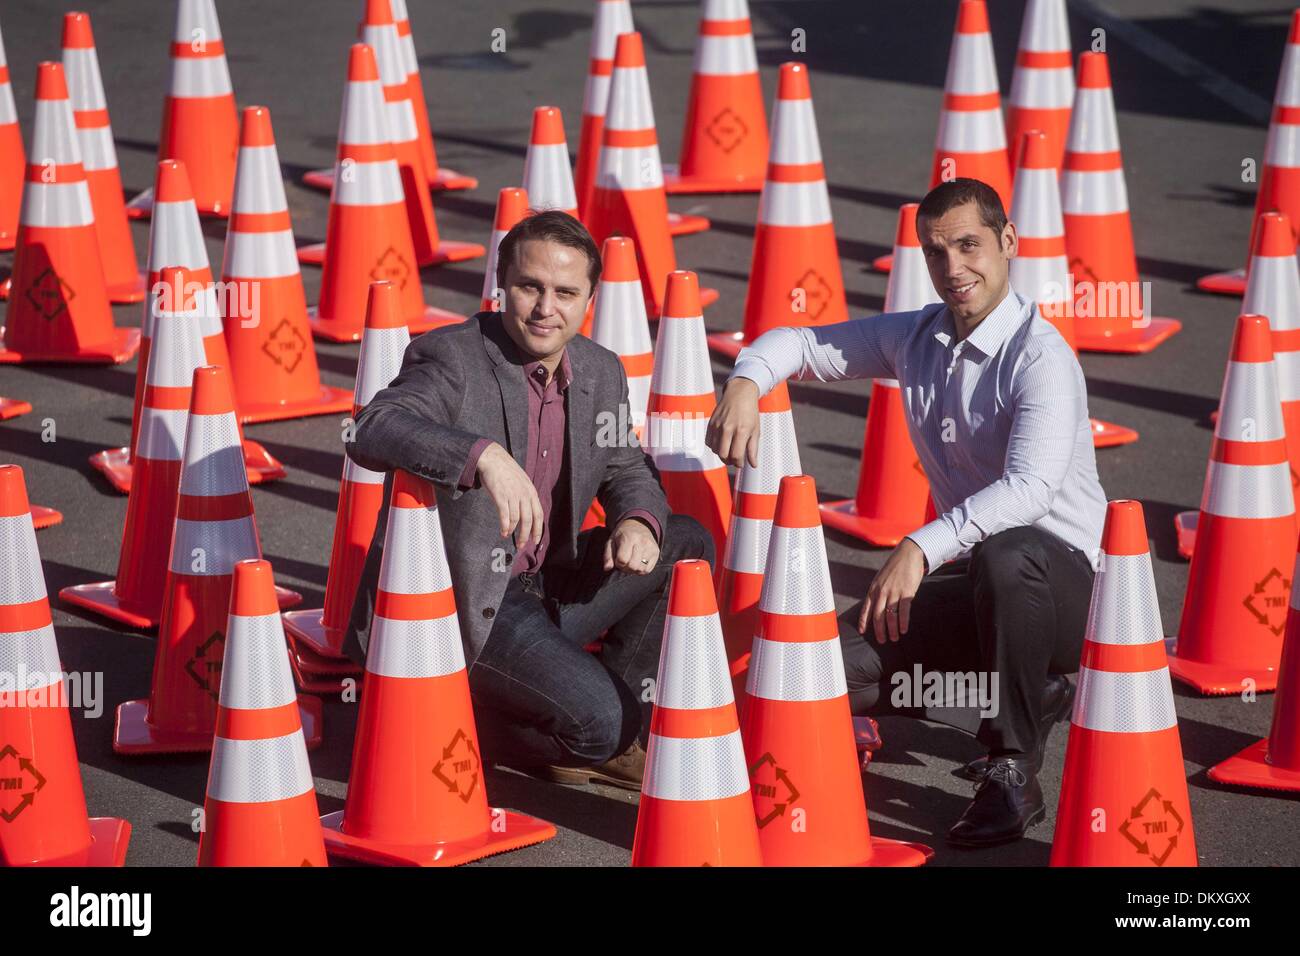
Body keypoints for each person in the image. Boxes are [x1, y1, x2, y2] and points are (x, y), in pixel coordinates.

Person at [707, 178, 1108, 847]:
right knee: (826, 668)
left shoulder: (1041, 356)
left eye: (970, 245)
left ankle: (1014, 768)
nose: (954, 269)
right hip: (985, 584)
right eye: (936, 252)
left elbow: (1031, 490)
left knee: (1011, 552)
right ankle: (1025, 697)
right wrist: (747, 381)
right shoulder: (917, 337)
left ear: (1008, 242)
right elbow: (801, 344)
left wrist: (919, 548)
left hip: (1069, 592)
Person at [343, 210, 714, 790]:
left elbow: (627, 467)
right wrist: (482, 455)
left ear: (589, 298)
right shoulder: (451, 357)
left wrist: (636, 520)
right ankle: (452, 716)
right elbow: (373, 428)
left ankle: (593, 714)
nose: (546, 308)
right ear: (501, 284)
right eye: (529, 287)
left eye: (566, 292)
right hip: (465, 606)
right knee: (601, 722)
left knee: (685, 540)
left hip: (545, 583)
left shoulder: (600, 368)